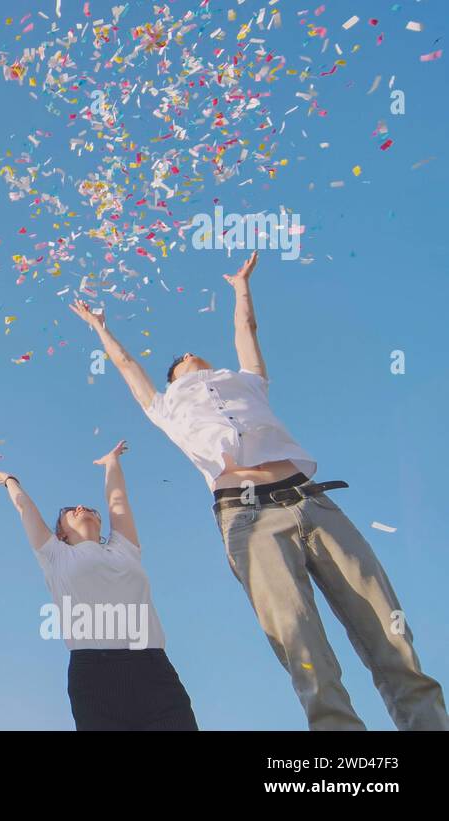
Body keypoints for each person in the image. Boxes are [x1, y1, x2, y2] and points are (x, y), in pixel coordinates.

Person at [69, 250, 449, 730]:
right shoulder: (165, 406)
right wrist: (99, 326)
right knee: (304, 649)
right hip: (249, 519)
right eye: (177, 361)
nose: (186, 355)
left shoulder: (246, 382)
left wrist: (240, 287)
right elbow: (125, 365)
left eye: (191, 354)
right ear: (171, 380)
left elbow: (246, 333)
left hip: (312, 499)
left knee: (388, 633)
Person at [0, 440, 198, 730]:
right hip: (94, 674)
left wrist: (112, 463)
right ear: (59, 533)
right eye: (69, 510)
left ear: (101, 524)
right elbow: (25, 509)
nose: (80, 507)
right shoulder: (55, 555)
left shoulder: (124, 548)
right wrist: (10, 481)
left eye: (88, 508)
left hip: (152, 667)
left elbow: (118, 502)